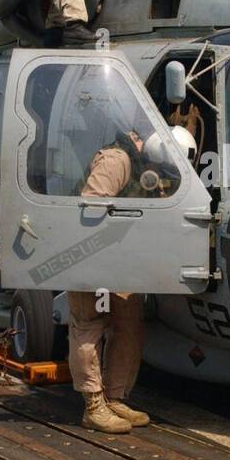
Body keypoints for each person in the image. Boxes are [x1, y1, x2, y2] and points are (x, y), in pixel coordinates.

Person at [67, 131, 148, 433]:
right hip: (92, 255)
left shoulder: (133, 162)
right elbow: (93, 207)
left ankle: (115, 397)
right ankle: (93, 406)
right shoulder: (117, 159)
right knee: (89, 324)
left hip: (118, 258)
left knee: (129, 321)